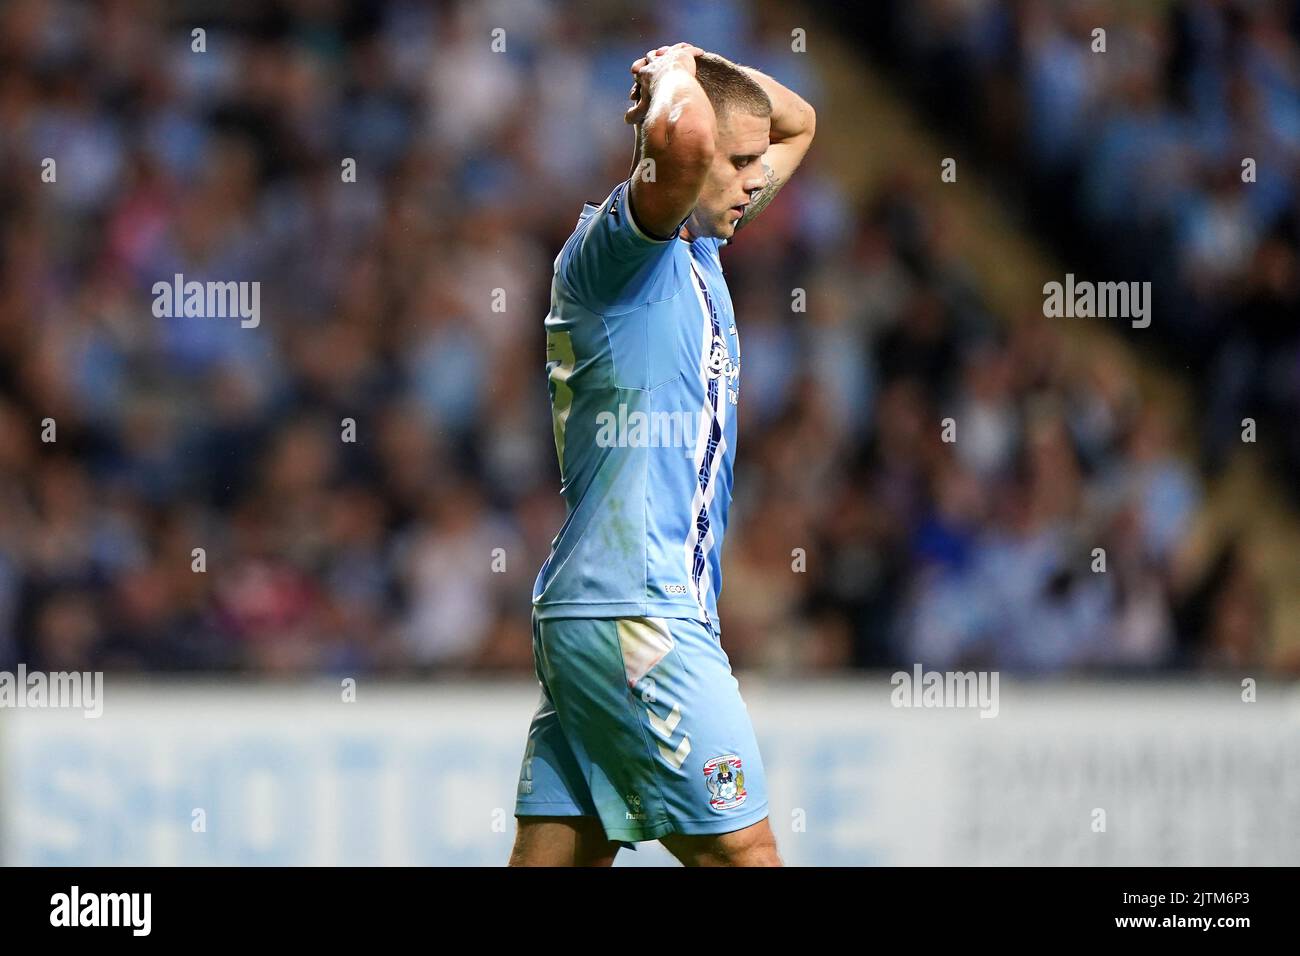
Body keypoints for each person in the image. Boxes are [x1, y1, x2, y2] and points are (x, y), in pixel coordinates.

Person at [509, 42, 815, 866]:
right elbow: (681, 142)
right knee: (745, 854)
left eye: (757, 164)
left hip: (605, 612)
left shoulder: (700, 248)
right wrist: (670, 86)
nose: (758, 178)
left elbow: (799, 123)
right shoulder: (617, 254)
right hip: (636, 615)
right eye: (740, 162)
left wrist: (698, 61)